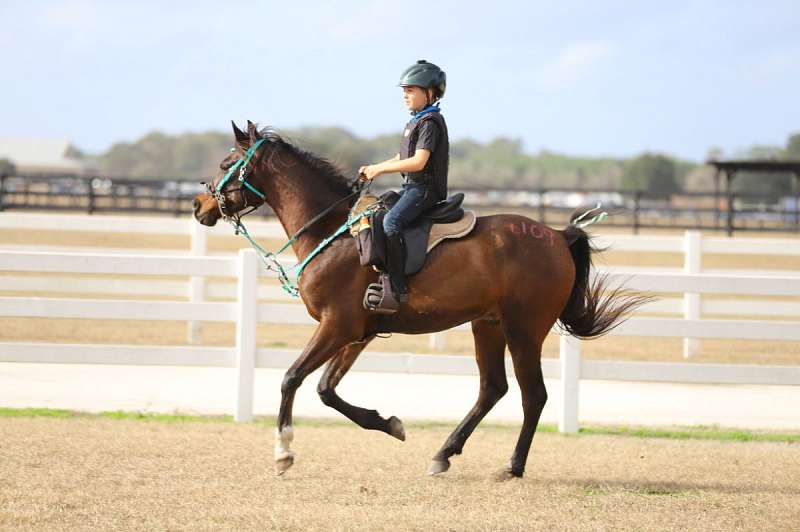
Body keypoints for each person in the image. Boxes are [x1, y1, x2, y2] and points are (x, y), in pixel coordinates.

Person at [359, 60, 450, 309]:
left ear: (430, 93)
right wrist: (373, 169)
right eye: (404, 90)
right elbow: (402, 158)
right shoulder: (415, 122)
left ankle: (398, 288)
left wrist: (380, 169)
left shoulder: (430, 122)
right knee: (377, 212)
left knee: (392, 222)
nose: (405, 95)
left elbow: (419, 162)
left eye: (411, 90)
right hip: (412, 188)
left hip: (424, 190)